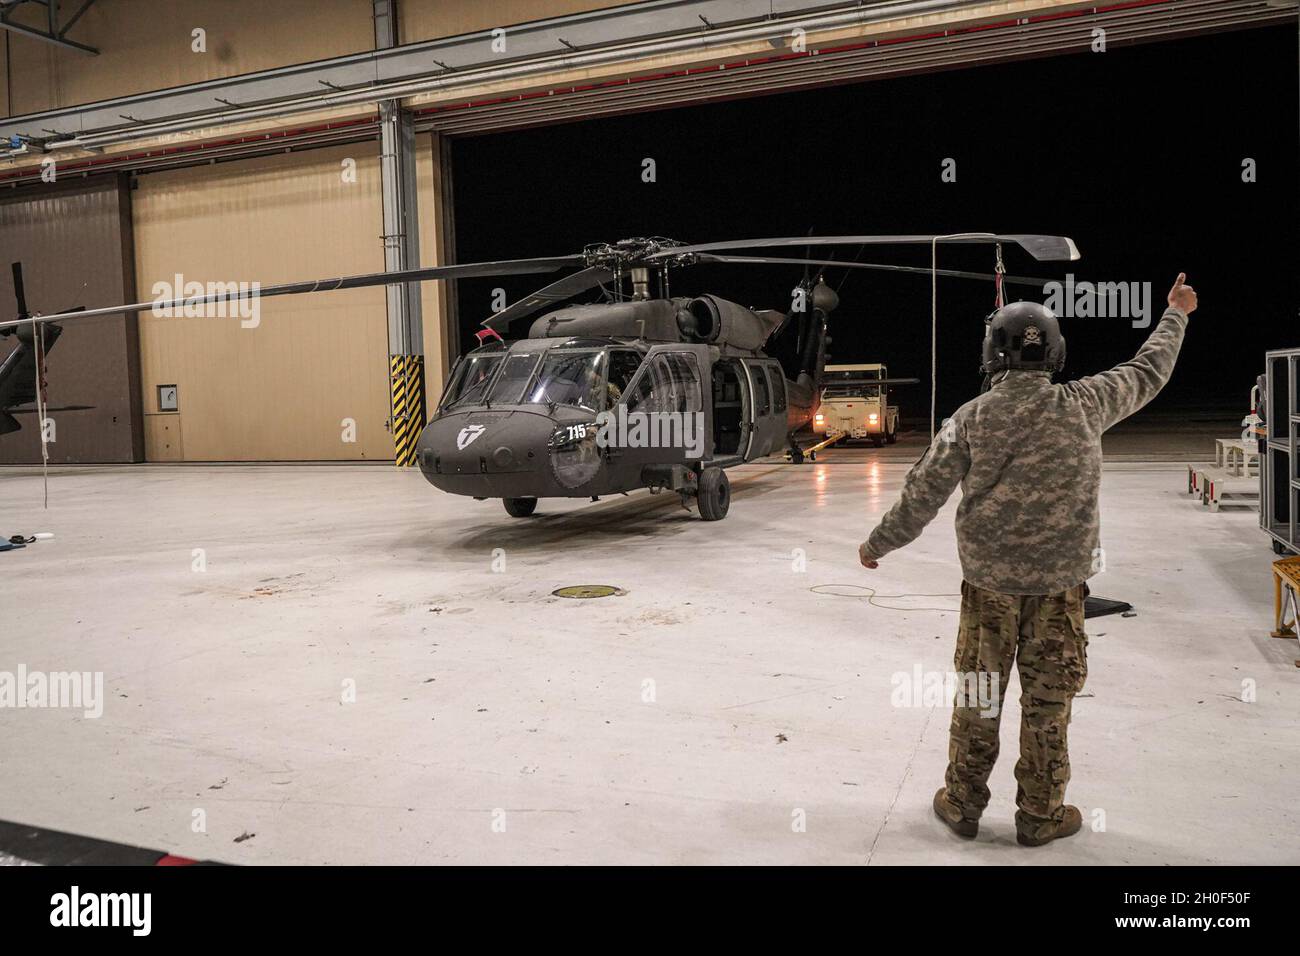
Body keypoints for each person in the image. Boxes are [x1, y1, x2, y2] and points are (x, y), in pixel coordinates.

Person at [859, 274, 1197, 847]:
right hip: (1060, 590)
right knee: (1048, 702)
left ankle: (963, 805)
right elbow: (1148, 370)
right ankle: (1040, 816)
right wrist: (1176, 313)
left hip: (988, 588)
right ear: (1056, 352)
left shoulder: (972, 418)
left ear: (992, 352)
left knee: (979, 695)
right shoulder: (1087, 404)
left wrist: (878, 545)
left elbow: (924, 492)